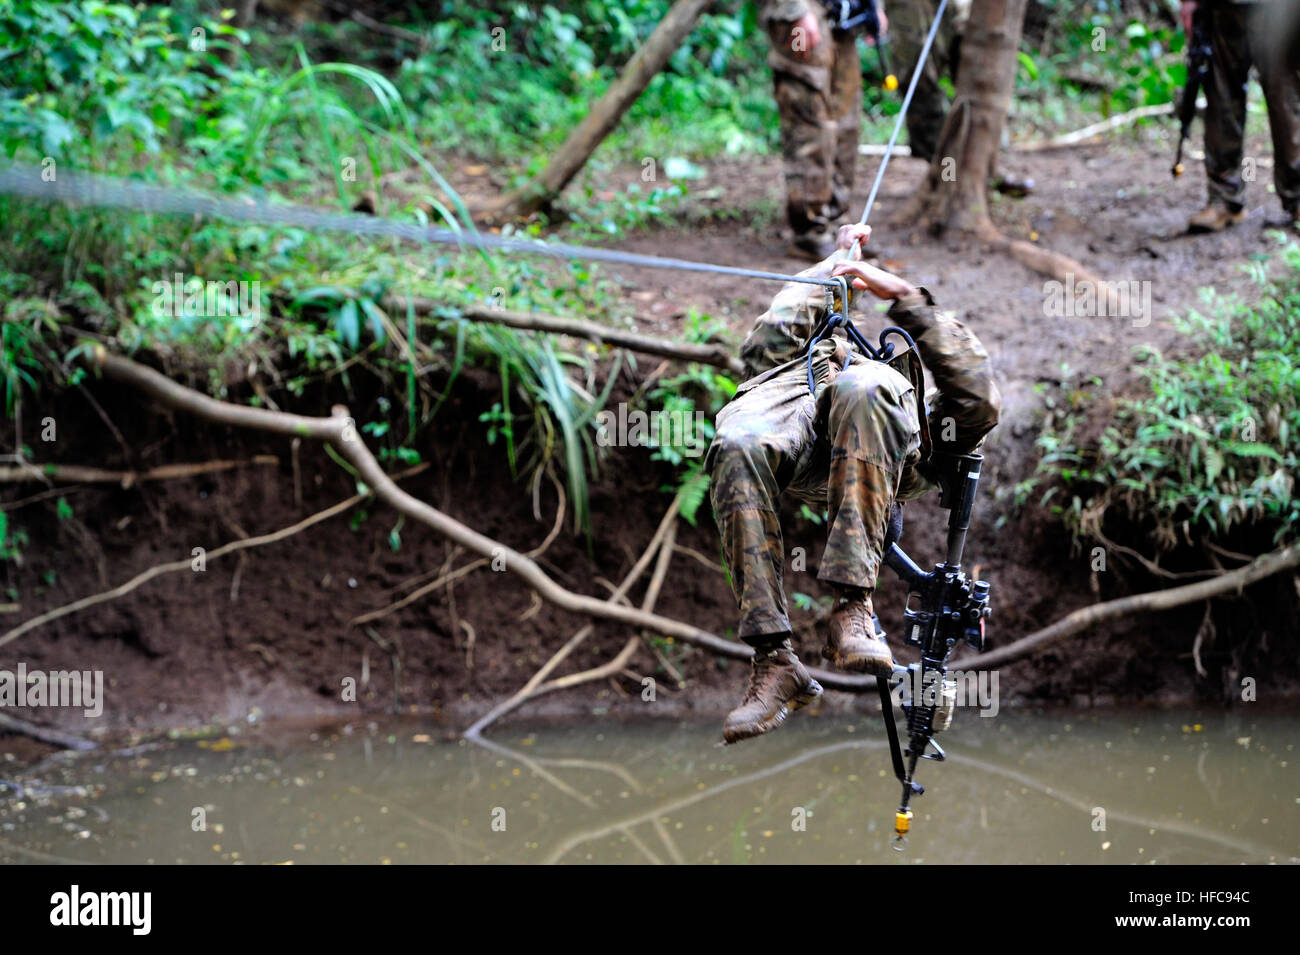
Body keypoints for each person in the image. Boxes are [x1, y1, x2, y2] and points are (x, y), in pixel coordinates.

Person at [706, 222, 1000, 744]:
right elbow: (768, 340)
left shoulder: (913, 416)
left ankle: (853, 610)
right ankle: (775, 660)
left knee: (867, 386)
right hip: (790, 439)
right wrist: (831, 269)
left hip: (890, 453)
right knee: (736, 442)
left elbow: (978, 396)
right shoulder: (788, 377)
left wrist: (907, 299)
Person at [759, 1, 886, 260]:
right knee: (810, 120)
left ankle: (840, 228)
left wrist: (875, 7)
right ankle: (811, 231)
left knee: (846, 122)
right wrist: (794, 11)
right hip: (804, 10)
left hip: (846, 16)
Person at [1180, 0, 1300, 232]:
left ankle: (1298, 197)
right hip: (1222, 7)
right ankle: (1224, 199)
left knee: (1287, 101)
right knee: (1221, 100)